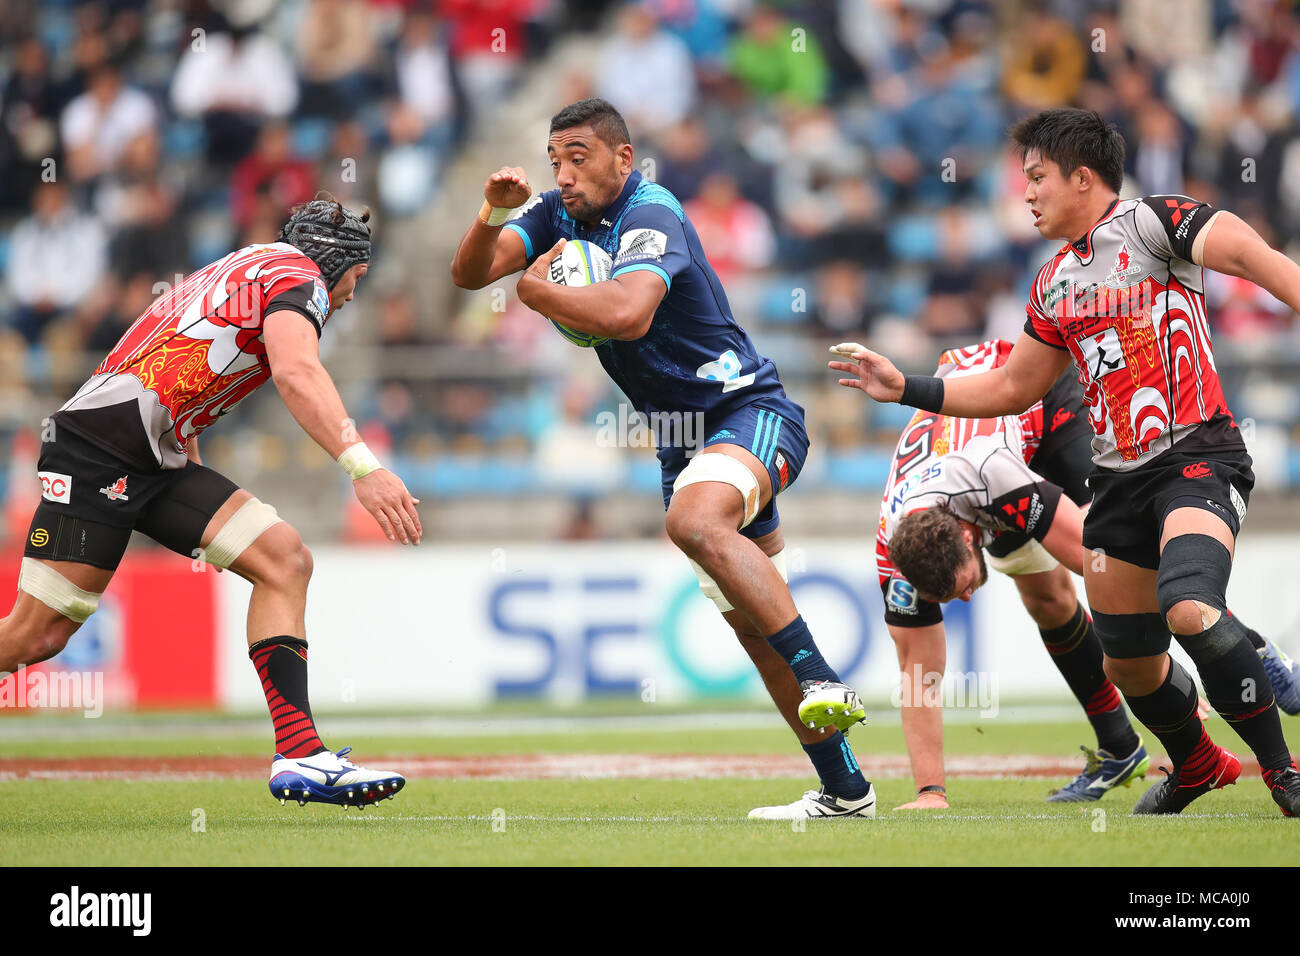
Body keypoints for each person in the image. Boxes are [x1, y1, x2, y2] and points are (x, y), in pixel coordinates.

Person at [830, 108, 1300, 815]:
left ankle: (1283, 775)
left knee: (1191, 608)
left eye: (1037, 177)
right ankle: (1195, 767)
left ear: (1083, 178)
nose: (1026, 192)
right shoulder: (1052, 281)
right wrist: (908, 389)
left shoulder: (1158, 223)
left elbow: (1253, 259)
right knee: (1127, 663)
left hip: (1194, 459)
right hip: (1117, 485)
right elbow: (1015, 387)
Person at [451, 98, 873, 820]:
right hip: (682, 439)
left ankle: (823, 678)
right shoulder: (557, 214)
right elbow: (469, 276)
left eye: (578, 156)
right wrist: (491, 214)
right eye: (555, 159)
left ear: (623, 157)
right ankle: (846, 791)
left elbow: (627, 314)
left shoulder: (652, 212)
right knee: (750, 624)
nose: (564, 173)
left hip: (748, 410)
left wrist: (539, 294)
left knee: (695, 523)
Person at [0, 196, 421, 810]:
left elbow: (174, 354)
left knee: (285, 559)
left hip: (150, 452)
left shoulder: (246, 263)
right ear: (334, 261)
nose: (353, 293)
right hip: (103, 451)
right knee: (33, 638)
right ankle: (300, 752)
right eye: (356, 276)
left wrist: (187, 455)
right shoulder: (299, 277)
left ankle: (299, 753)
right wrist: (364, 467)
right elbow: (297, 372)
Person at [856, 338, 1149, 809]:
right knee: (1048, 599)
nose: (969, 599)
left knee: (1108, 548)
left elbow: (1107, 569)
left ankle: (1238, 637)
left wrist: (1163, 661)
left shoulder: (990, 477)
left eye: (962, 586)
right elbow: (918, 675)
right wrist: (930, 793)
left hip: (1040, 399)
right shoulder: (895, 555)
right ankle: (1119, 746)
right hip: (977, 465)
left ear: (971, 538)